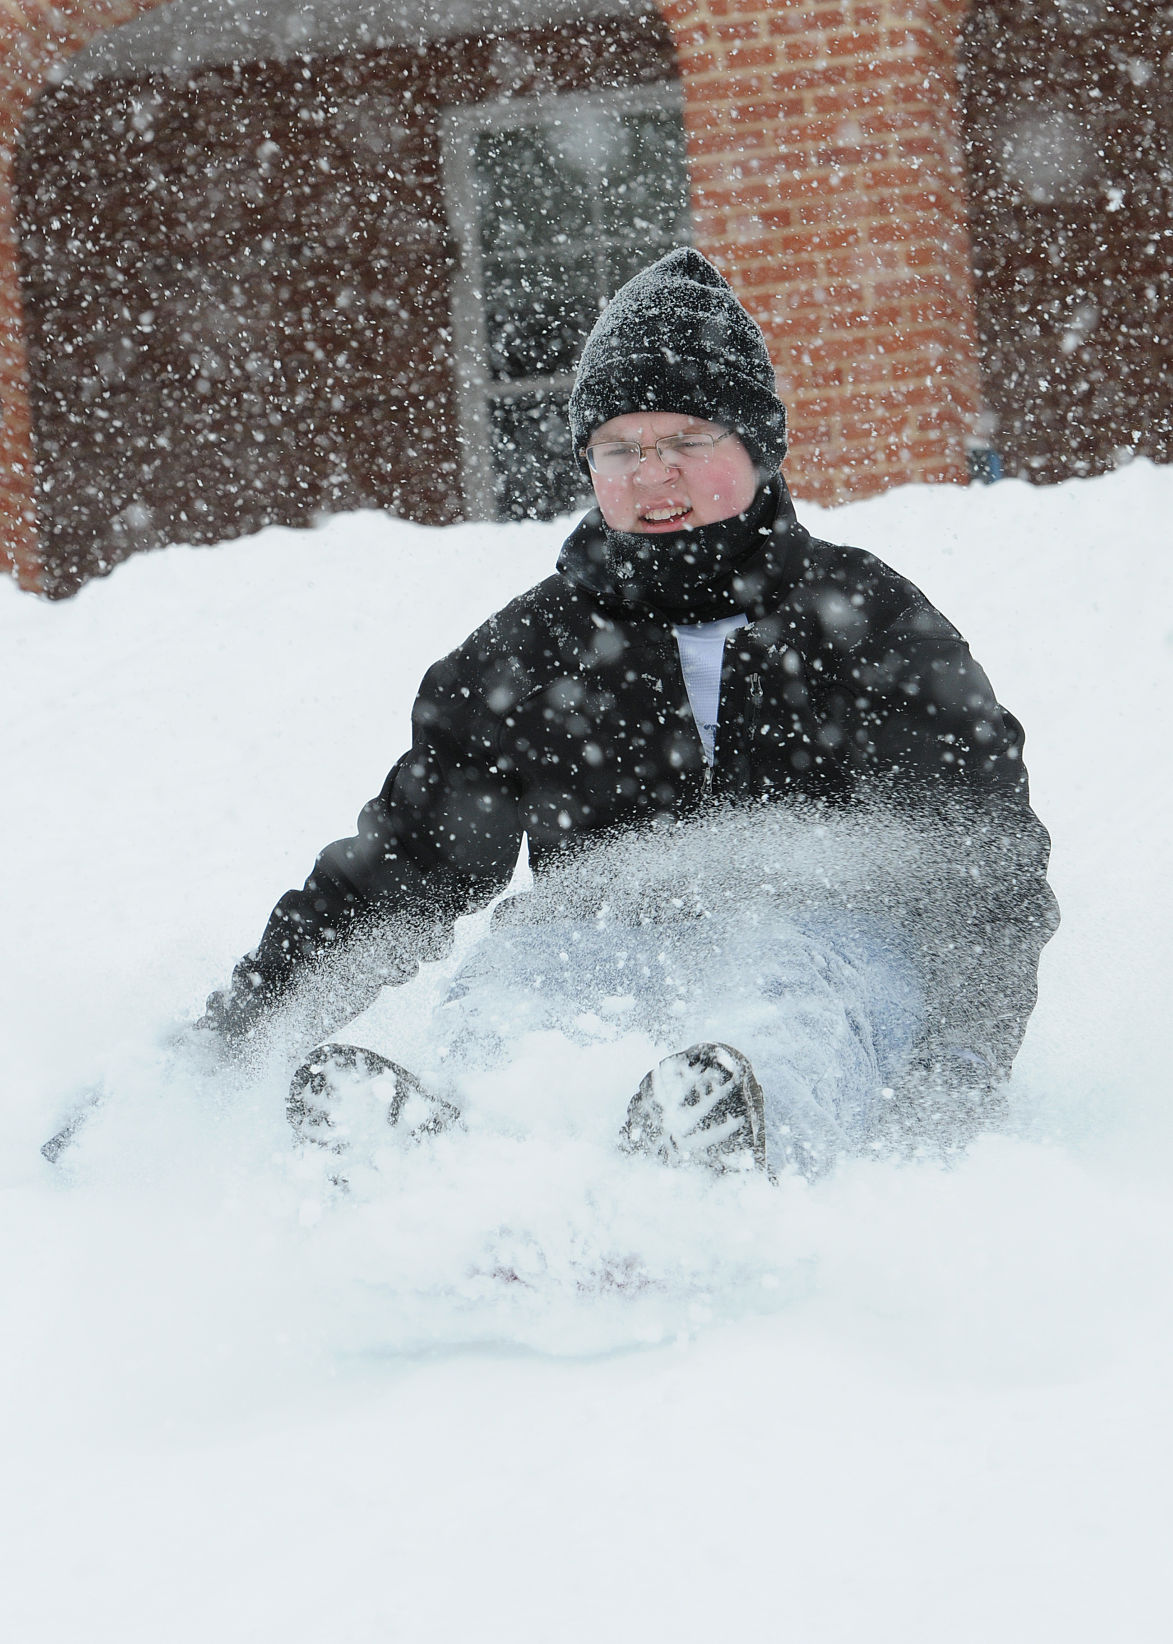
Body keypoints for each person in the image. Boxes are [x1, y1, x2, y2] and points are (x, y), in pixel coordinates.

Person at [202, 248, 1058, 1178]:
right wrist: (220, 1050)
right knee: (521, 976)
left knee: (783, 978)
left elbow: (979, 863)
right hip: (605, 949)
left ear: (756, 447)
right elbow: (407, 864)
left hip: (830, 954)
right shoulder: (527, 654)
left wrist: (960, 1077)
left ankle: (720, 1174)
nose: (653, 477)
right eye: (620, 449)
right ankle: (460, 1175)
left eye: (688, 440)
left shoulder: (866, 620)